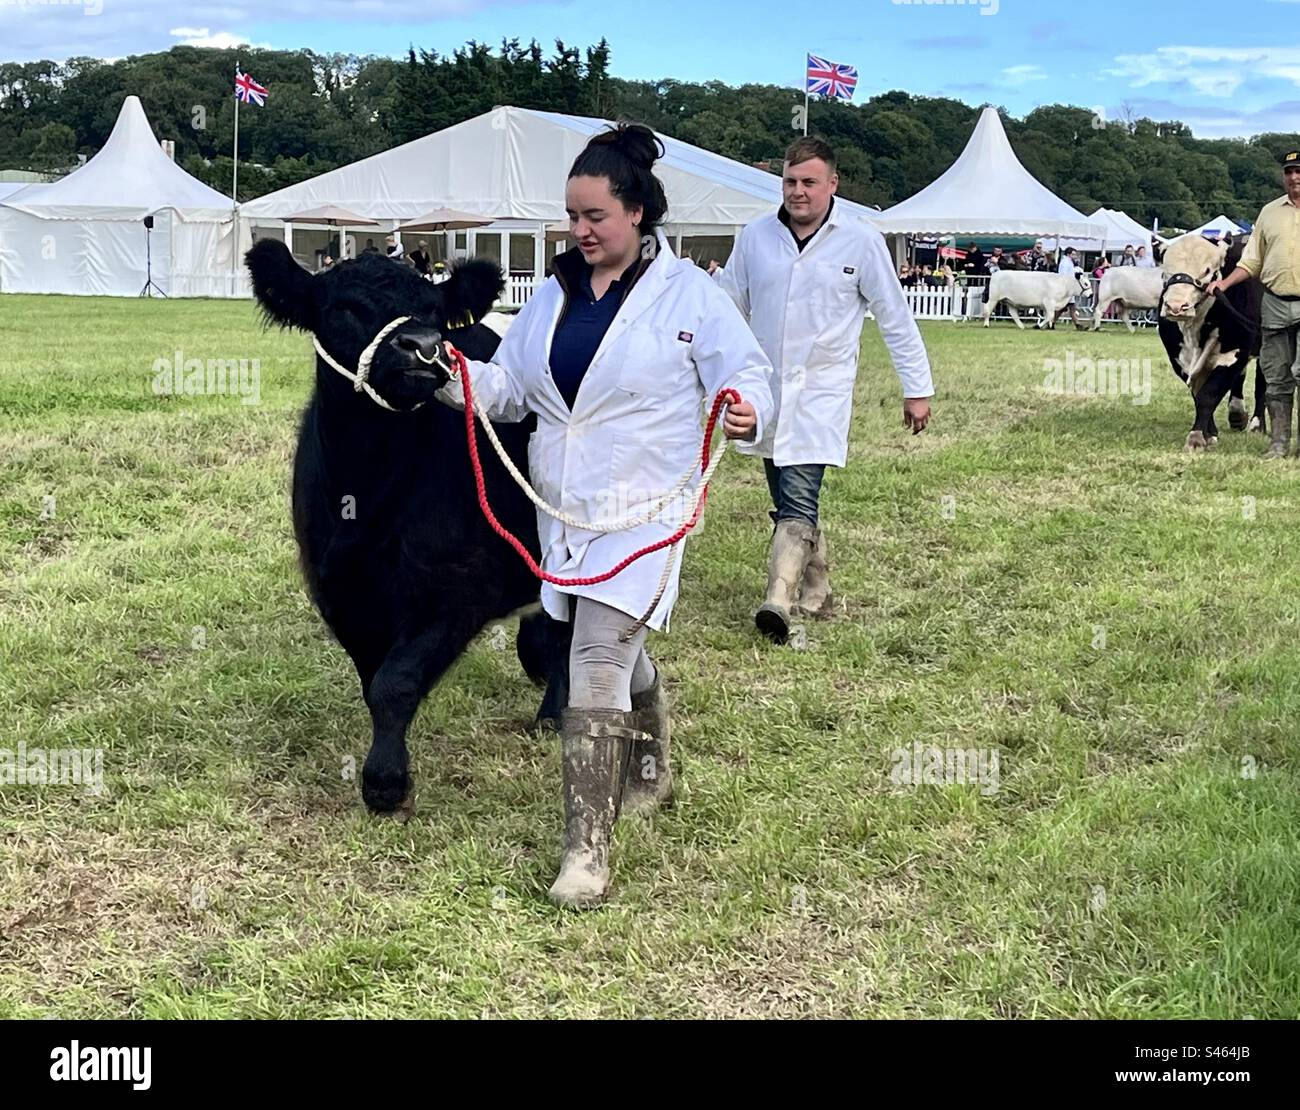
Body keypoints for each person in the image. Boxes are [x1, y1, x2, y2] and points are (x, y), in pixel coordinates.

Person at [434, 123, 774, 907]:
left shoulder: (691, 295)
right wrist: (448, 377)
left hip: (646, 507)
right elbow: (512, 391)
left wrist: (749, 408)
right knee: (608, 644)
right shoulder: (550, 297)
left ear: (639, 213)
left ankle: (585, 853)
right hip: (567, 506)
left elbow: (745, 371)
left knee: (592, 660)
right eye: (572, 217)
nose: (580, 232)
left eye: (597, 217)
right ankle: (651, 739)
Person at [718, 136, 933, 643]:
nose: (798, 192)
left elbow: (896, 318)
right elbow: (727, 306)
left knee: (797, 495)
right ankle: (818, 587)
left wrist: (916, 388)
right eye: (791, 182)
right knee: (786, 492)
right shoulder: (755, 238)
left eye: (809, 182)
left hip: (821, 394)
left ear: (832, 184)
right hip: (764, 391)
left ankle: (778, 597)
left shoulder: (859, 241)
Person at [1207, 150, 1300, 459]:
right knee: (1276, 376)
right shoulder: (1269, 213)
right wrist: (1224, 283)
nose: (1294, 177)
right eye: (1289, 171)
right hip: (1274, 303)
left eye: (1299, 171)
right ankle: (1278, 443)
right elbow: (1252, 261)